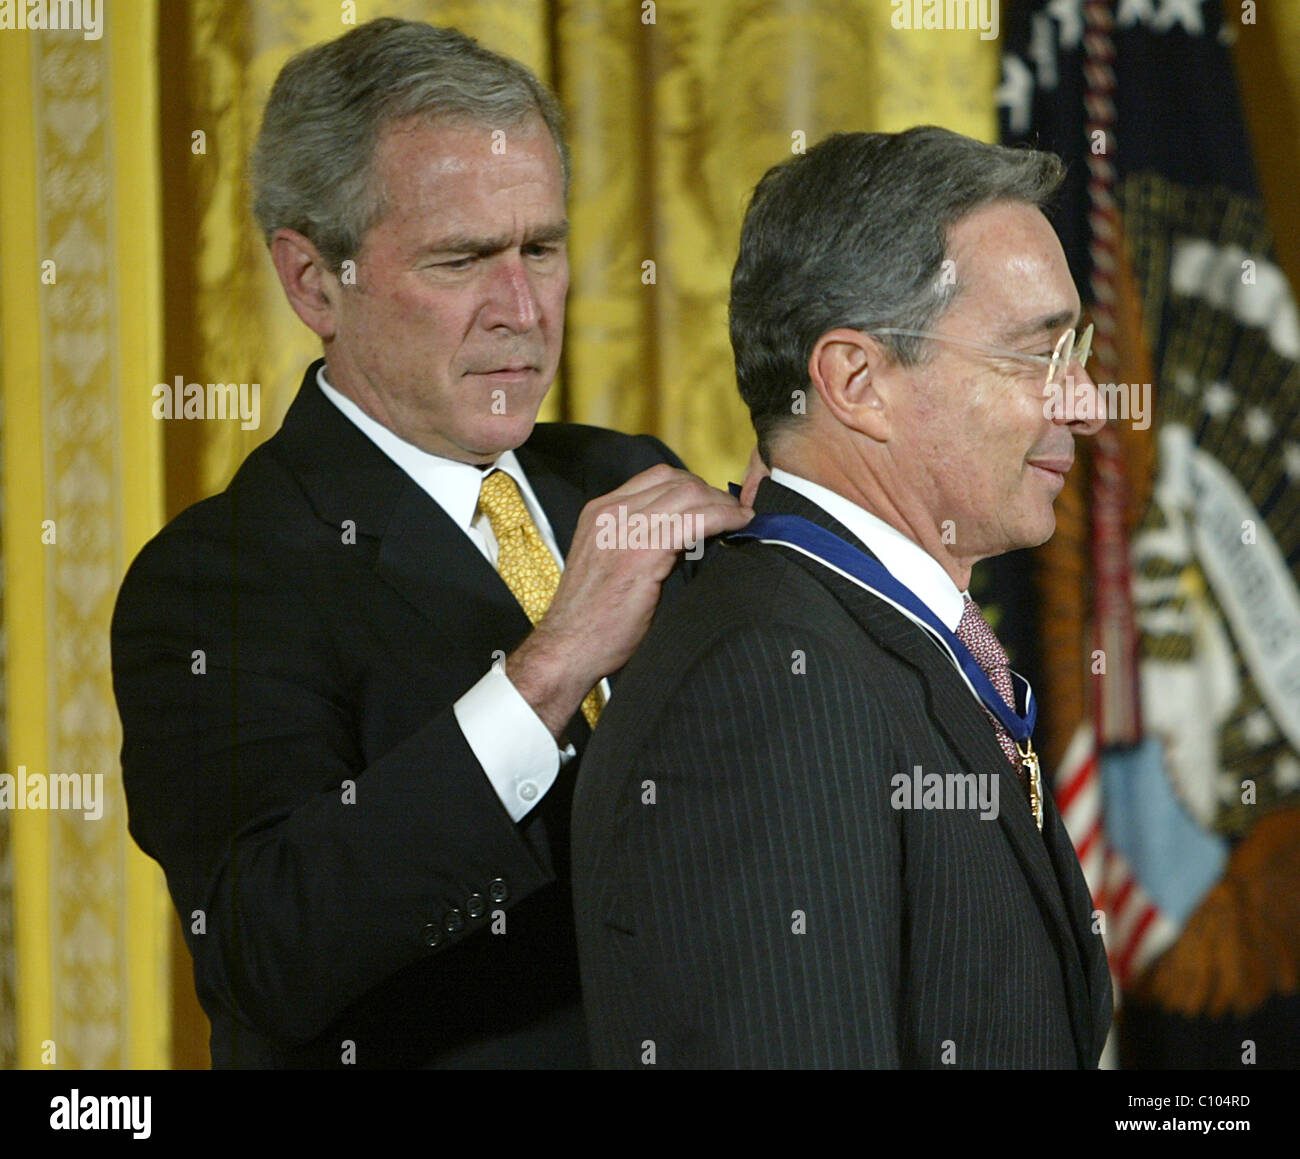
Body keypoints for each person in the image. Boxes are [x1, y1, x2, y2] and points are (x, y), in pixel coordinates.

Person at [110, 18, 749, 1068]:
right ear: (314, 281)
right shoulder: (216, 577)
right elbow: (269, 950)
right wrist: (552, 664)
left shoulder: (620, 471)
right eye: (461, 260)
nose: (521, 310)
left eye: (540, 250)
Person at [572, 127, 1115, 1068]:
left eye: (1081, 349)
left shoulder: (876, 637)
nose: (1089, 403)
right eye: (1039, 356)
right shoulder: (772, 683)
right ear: (856, 381)